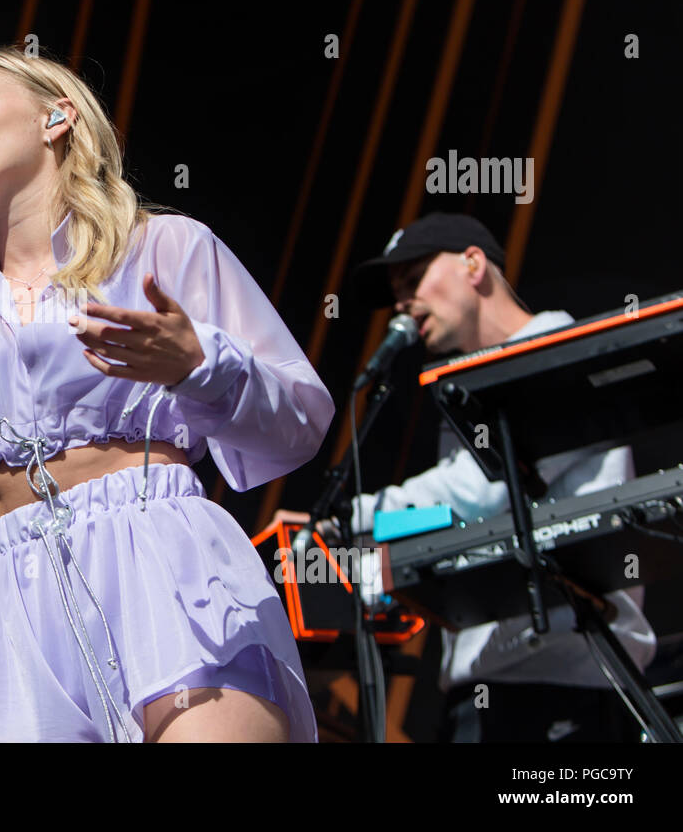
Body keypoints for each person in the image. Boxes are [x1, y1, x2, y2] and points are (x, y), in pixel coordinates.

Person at [0, 44, 335, 742]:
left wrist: (202, 367)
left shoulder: (163, 249)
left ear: (57, 117)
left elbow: (300, 423)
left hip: (167, 561)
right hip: (24, 596)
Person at [273, 213, 657, 742]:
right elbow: (454, 516)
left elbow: (477, 493)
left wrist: (346, 516)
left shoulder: (553, 349)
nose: (403, 304)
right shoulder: (470, 385)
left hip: (563, 680)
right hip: (489, 684)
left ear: (473, 264)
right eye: (396, 293)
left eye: (412, 281)